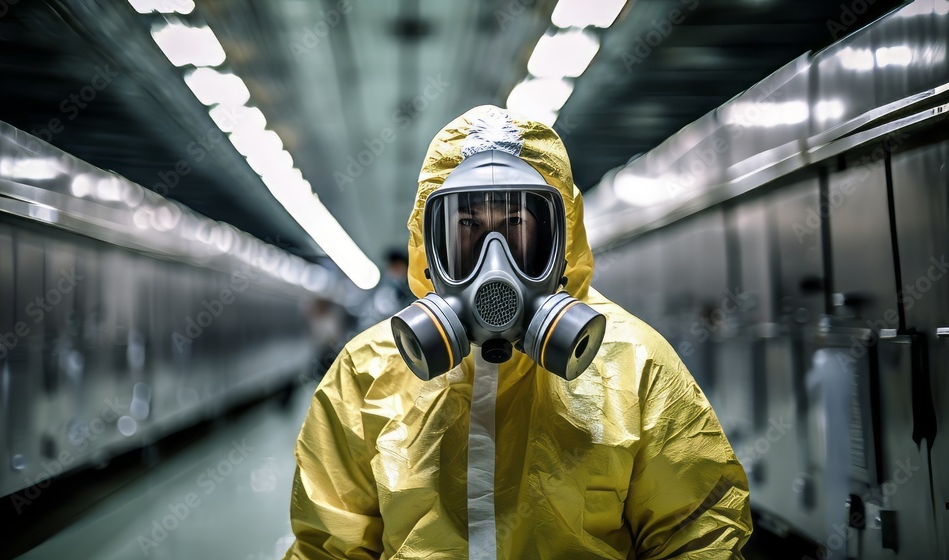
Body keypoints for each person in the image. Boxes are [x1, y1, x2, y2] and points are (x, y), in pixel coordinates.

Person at [284, 106, 752, 559]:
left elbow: (698, 535)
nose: (494, 255)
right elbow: (328, 548)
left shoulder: (635, 363)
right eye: (466, 225)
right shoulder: (368, 370)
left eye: (515, 223)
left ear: (558, 235)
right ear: (430, 242)